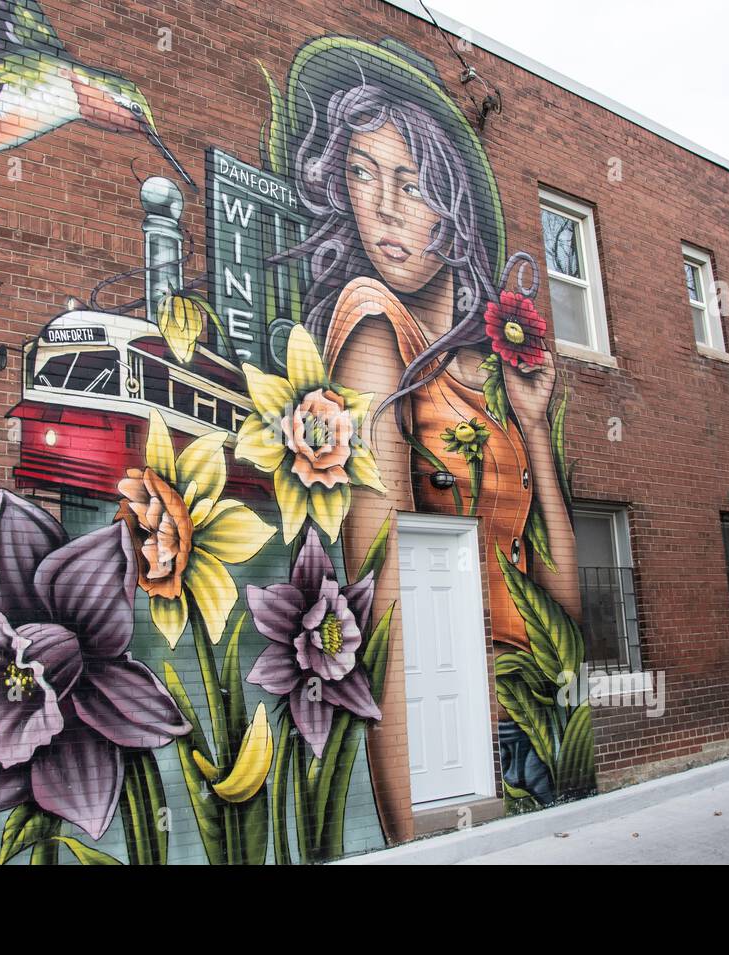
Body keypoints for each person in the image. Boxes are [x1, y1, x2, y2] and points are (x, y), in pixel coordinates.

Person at [279, 37, 581, 839]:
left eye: (409, 184)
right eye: (361, 174)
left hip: (529, 719)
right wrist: (410, 838)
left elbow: (562, 604)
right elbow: (383, 610)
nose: (379, 209)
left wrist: (536, 429)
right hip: (459, 738)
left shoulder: (489, 367)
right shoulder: (375, 326)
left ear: (453, 200)